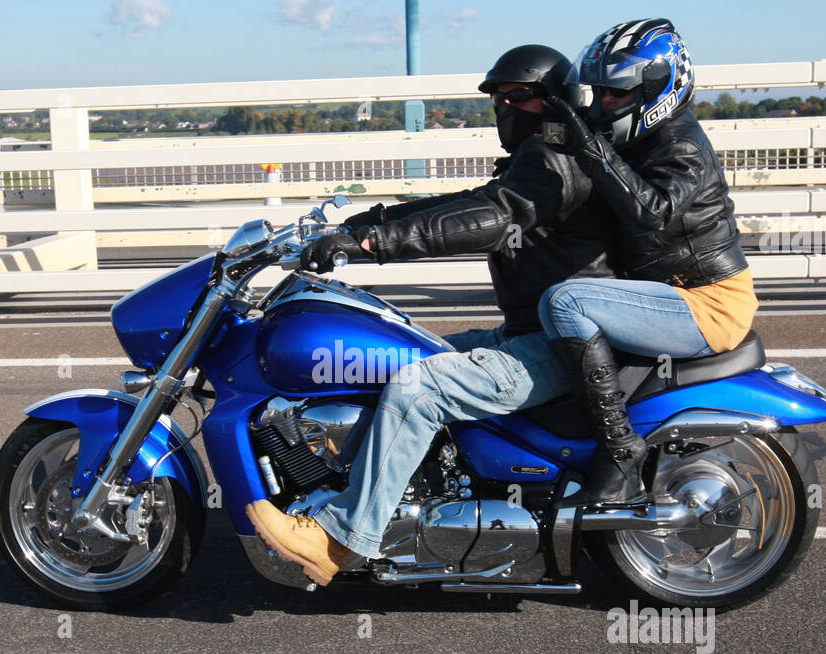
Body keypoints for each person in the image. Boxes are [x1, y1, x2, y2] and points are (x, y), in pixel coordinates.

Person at [245, 44, 621, 586]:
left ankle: (339, 538)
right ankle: (373, 488)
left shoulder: (555, 163)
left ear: (552, 102)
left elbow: (489, 217)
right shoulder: (538, 158)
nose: (503, 109)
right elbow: (466, 201)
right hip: (534, 333)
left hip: (559, 346)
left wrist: (371, 242)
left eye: (515, 97)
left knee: (419, 388)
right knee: (410, 351)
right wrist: (365, 221)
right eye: (498, 99)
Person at [535, 19, 758, 506]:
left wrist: (590, 148)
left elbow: (653, 213)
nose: (604, 105)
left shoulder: (681, 144)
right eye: (598, 93)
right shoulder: (636, 139)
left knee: (568, 302)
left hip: (708, 301)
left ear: (657, 87)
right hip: (675, 292)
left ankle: (620, 451)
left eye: (615, 93)